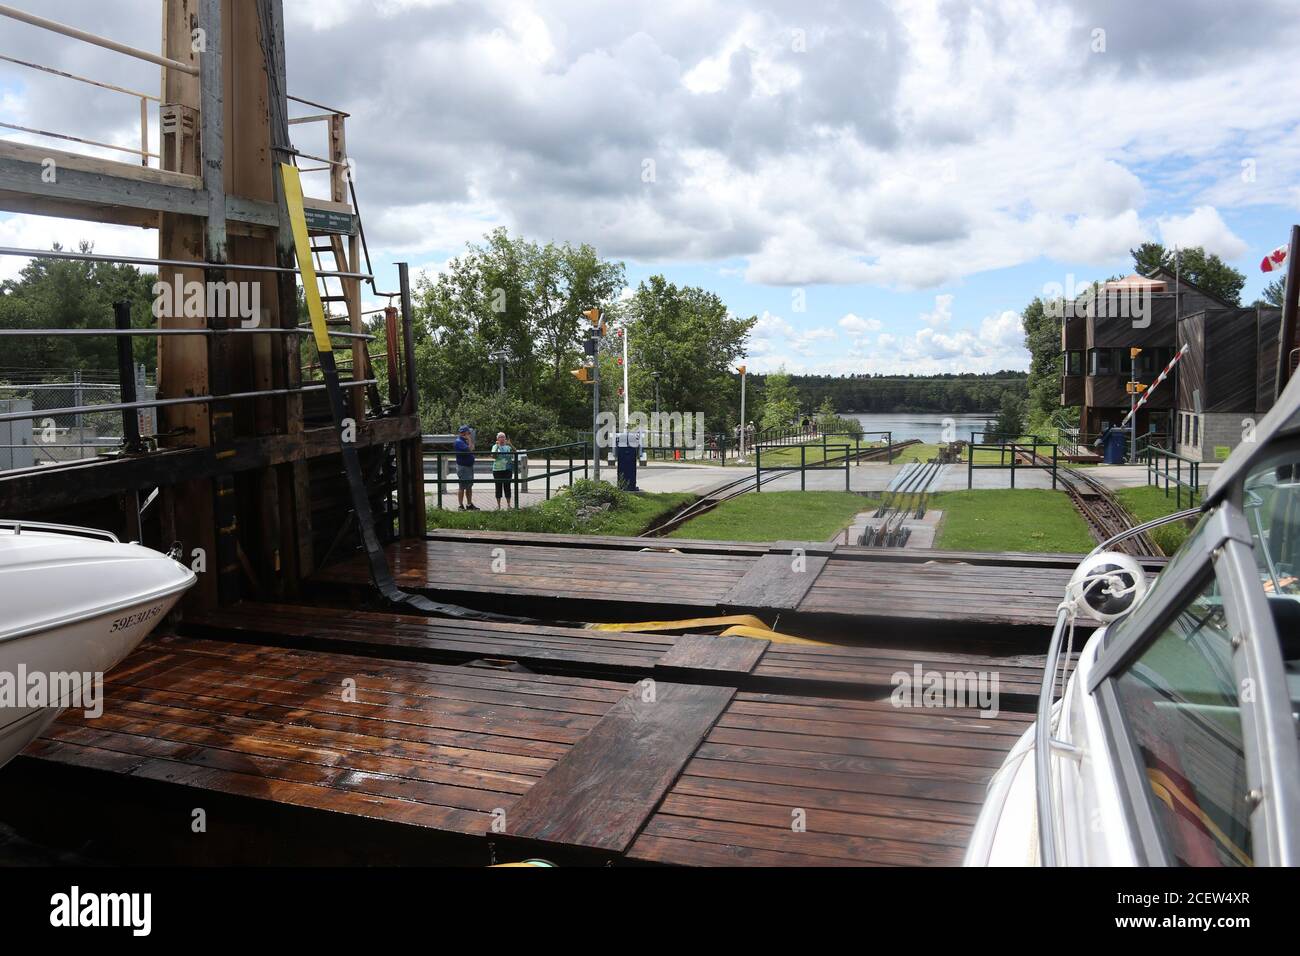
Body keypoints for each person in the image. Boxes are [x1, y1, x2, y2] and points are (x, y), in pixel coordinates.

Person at [454, 424, 478, 510]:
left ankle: (469, 504)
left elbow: (473, 448)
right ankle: (460, 505)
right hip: (463, 467)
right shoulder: (459, 442)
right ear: (464, 433)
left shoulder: (465, 440)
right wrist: (469, 439)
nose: (470, 434)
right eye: (468, 433)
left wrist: (469, 440)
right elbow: (470, 449)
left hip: (468, 466)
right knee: (462, 487)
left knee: (469, 486)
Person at [490, 431, 515, 509]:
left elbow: (515, 452)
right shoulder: (495, 446)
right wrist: (497, 446)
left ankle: (508, 505)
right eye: (500, 437)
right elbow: (493, 456)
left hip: (508, 469)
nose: (502, 439)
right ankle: (498, 505)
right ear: (497, 439)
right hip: (497, 470)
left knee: (507, 487)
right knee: (498, 487)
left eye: (503, 437)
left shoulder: (508, 447)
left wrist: (510, 444)